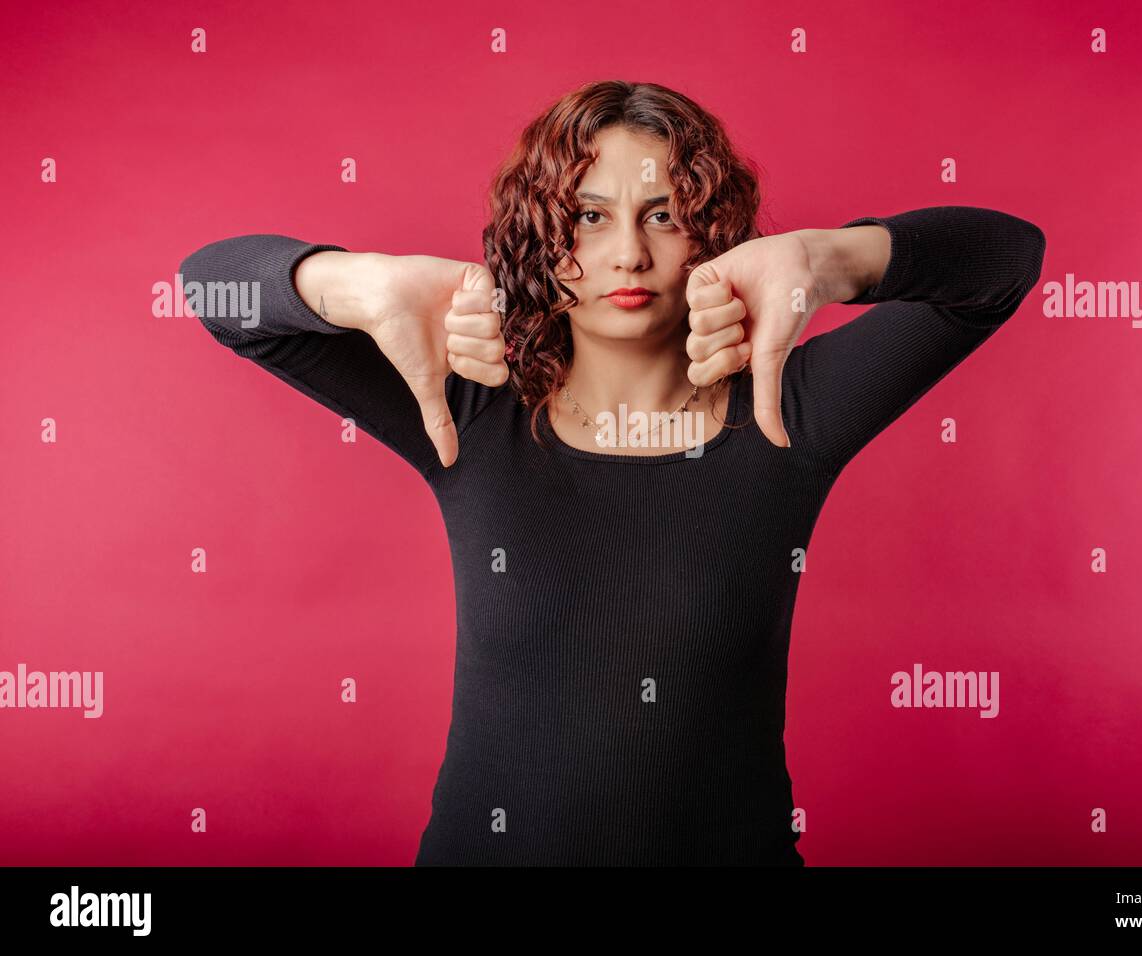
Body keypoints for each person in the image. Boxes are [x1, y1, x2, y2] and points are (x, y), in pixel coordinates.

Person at [179, 79, 1046, 866]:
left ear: (713, 234)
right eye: (590, 216)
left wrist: (831, 260)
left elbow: (1004, 262)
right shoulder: (472, 412)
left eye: (664, 214)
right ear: (543, 238)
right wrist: (357, 283)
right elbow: (212, 288)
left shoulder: (788, 414)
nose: (628, 254)